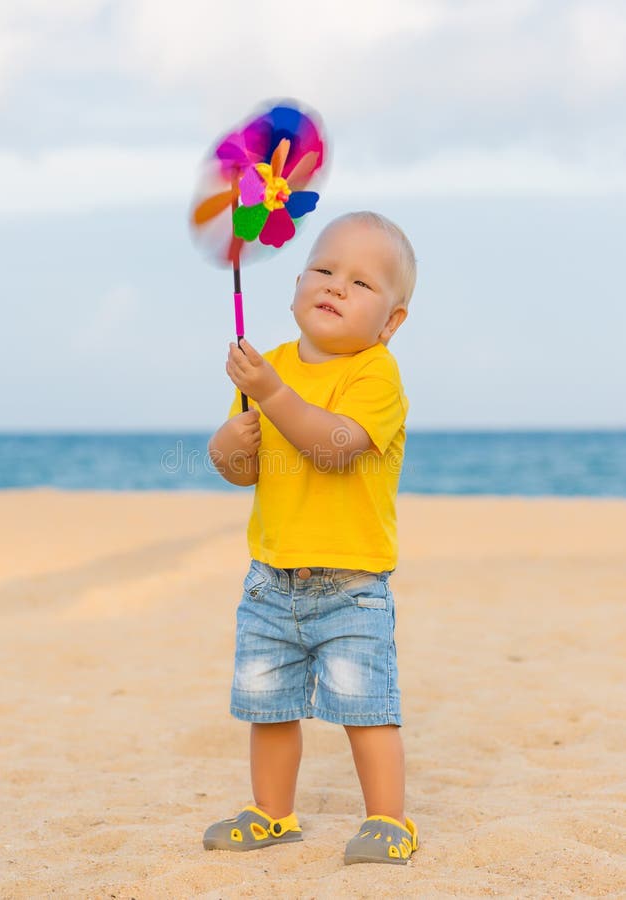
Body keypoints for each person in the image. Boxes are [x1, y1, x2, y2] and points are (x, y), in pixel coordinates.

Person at [203, 211, 419, 866]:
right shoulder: (265, 367)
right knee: (268, 705)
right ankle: (273, 813)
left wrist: (269, 395)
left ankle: (388, 821)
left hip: (350, 583)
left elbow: (334, 447)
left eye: (359, 282)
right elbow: (245, 470)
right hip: (271, 579)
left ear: (389, 321)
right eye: (323, 271)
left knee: (364, 705)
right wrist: (225, 447)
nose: (334, 286)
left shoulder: (373, 375)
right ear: (296, 282)